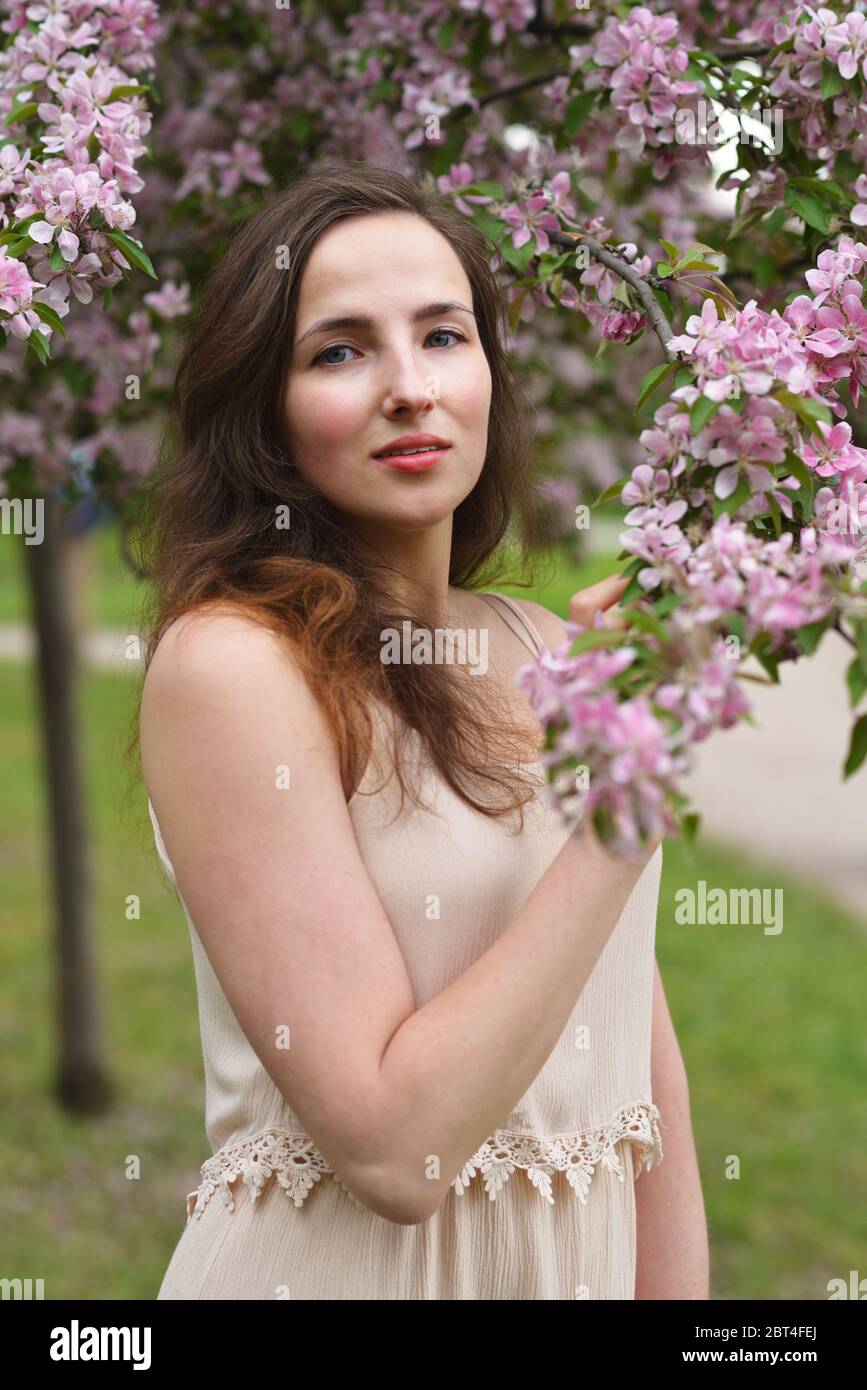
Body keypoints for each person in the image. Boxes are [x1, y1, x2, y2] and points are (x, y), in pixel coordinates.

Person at [134, 158, 708, 1300]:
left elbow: (641, 1106)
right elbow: (398, 1149)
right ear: (265, 409)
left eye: (443, 335)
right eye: (339, 350)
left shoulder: (554, 652)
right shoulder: (235, 669)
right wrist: (622, 797)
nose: (410, 386)